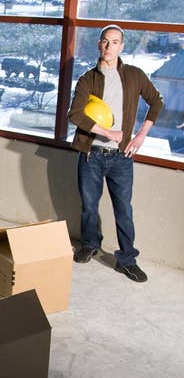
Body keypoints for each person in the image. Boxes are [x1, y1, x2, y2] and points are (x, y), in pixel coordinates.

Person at [68, 24, 164, 283]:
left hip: (122, 158)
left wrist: (141, 135)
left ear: (122, 47)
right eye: (105, 41)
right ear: (99, 44)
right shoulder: (88, 78)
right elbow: (75, 114)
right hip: (91, 155)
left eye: (115, 42)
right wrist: (108, 133)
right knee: (89, 206)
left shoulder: (134, 75)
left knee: (123, 209)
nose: (109, 47)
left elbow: (156, 101)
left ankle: (127, 260)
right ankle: (89, 243)